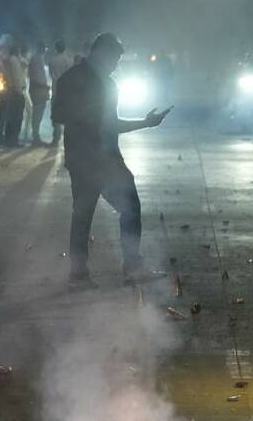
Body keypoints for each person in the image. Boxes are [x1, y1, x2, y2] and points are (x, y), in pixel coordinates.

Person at [50, 33, 172, 287]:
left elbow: (110, 124)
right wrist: (89, 116)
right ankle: (85, 272)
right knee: (88, 214)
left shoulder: (105, 82)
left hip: (104, 158)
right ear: (102, 52)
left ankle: (117, 268)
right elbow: (58, 113)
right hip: (89, 160)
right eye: (116, 57)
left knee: (121, 209)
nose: (117, 63)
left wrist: (144, 123)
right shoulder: (74, 78)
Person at [0, 43, 29, 147]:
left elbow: (26, 64)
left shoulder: (10, 60)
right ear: (16, 50)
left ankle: (9, 140)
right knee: (16, 118)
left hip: (11, 91)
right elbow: (16, 77)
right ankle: (13, 141)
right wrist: (19, 91)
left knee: (11, 117)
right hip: (16, 91)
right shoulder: (14, 60)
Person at [47, 40, 74, 146]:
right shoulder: (69, 61)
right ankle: (68, 138)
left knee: (56, 115)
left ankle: (56, 138)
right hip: (67, 92)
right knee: (68, 115)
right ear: (65, 48)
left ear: (56, 48)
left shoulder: (52, 61)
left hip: (55, 90)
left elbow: (50, 75)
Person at [27, 42, 51, 145]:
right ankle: (35, 137)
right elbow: (36, 77)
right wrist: (45, 86)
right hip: (38, 91)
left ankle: (35, 136)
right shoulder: (37, 59)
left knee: (38, 115)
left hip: (39, 91)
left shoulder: (37, 59)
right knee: (37, 115)